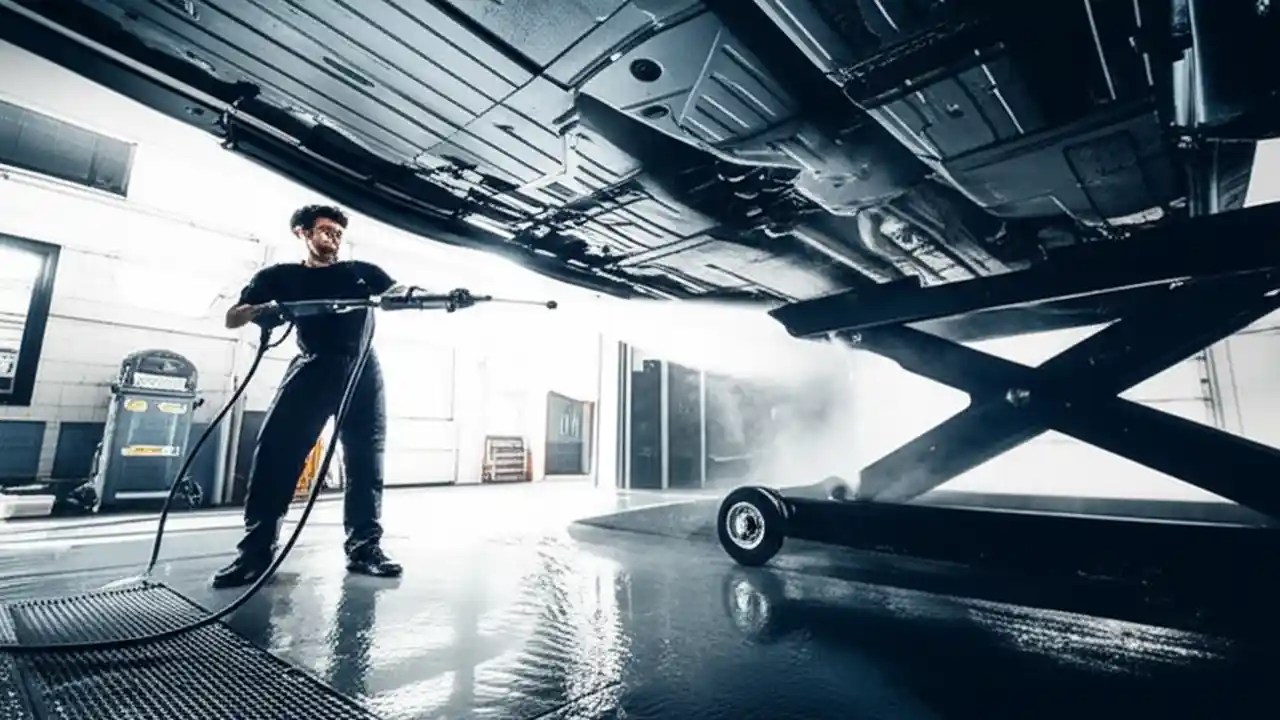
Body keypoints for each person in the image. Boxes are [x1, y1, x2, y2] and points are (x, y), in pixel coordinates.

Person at [212, 204, 404, 588]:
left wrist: (417, 295)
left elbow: (397, 292)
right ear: (301, 232)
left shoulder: (361, 273)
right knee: (275, 454)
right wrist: (260, 309)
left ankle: (365, 548)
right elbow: (232, 317)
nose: (333, 237)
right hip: (313, 367)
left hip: (363, 371)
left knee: (366, 461)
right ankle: (255, 553)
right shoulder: (279, 276)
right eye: (325, 230)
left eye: (337, 232)